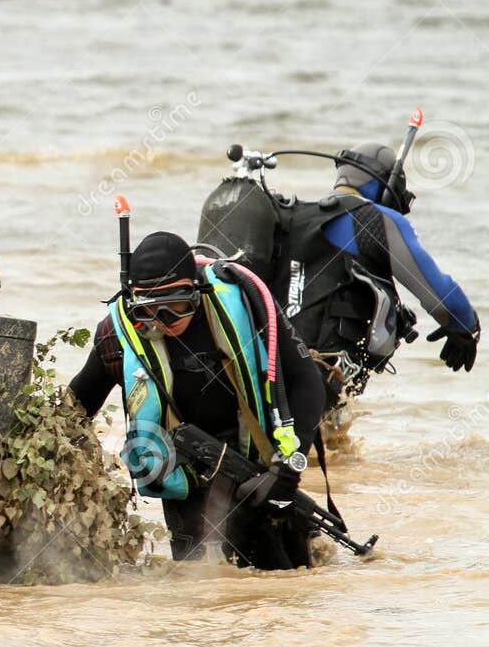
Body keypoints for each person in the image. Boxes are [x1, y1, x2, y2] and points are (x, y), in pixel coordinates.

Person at [68, 231, 325, 569]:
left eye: (175, 307)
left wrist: (289, 465)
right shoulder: (115, 338)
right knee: (195, 589)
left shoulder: (247, 306)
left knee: (281, 579)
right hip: (185, 476)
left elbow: (308, 382)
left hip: (258, 470)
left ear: (196, 291)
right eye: (148, 311)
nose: (163, 322)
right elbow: (73, 412)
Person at [276, 141, 478, 407]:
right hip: (322, 376)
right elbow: (443, 297)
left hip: (271, 365)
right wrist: (466, 328)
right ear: (386, 186)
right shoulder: (374, 219)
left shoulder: (295, 216)